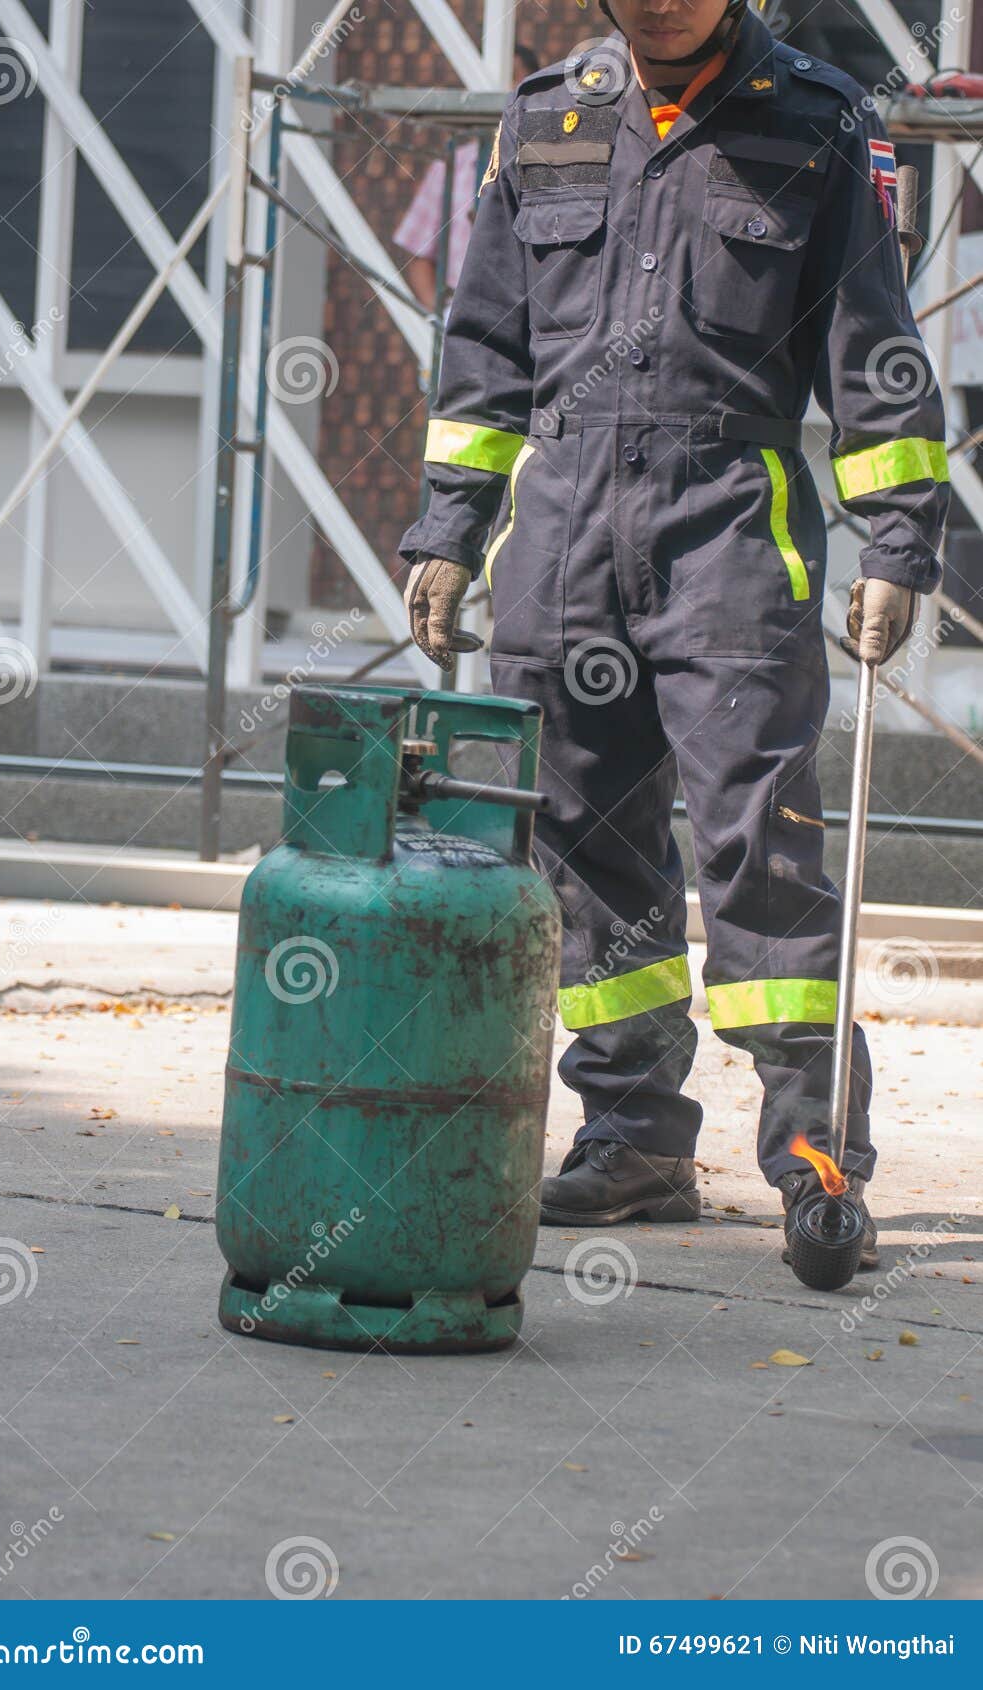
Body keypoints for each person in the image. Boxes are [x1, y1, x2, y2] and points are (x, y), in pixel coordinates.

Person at [397, 0, 949, 1271]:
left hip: (728, 527)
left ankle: (815, 1159)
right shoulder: (545, 120)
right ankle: (634, 1138)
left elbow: (872, 344)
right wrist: (445, 528)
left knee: (760, 843)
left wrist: (897, 535)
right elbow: (482, 344)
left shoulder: (816, 120)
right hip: (562, 528)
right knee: (585, 850)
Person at [394, 46, 540, 310]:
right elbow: (418, 254)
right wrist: (443, 319)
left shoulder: (549, 160)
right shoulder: (451, 164)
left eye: (513, 76)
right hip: (463, 310)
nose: (503, 87)